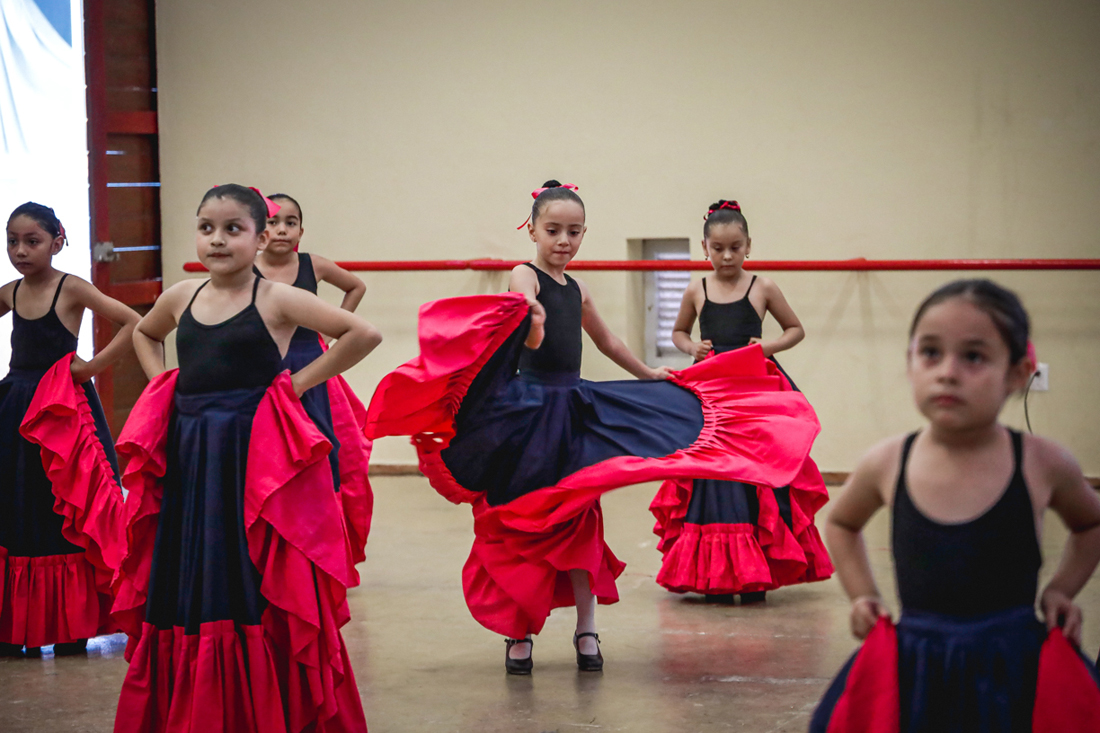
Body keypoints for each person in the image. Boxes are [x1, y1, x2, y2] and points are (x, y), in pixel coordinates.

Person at [367, 181, 824, 675]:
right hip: (530, 415)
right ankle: (518, 632)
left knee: (581, 516)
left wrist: (648, 373)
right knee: (522, 520)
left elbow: (606, 341)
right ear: (533, 230)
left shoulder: (578, 288)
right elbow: (522, 305)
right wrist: (532, 315)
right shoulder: (525, 275)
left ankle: (587, 629)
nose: (564, 240)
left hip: (574, 411)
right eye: (553, 230)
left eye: (574, 232)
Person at [111, 185, 380, 732]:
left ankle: (263, 697)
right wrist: (163, 382)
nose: (217, 239)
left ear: (259, 238)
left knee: (247, 563)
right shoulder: (181, 296)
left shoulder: (277, 298)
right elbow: (145, 332)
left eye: (233, 229)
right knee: (196, 561)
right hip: (192, 451)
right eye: (207, 227)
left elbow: (362, 332)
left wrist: (298, 385)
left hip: (250, 454)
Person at [811, 279, 1100, 732]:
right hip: (919, 670)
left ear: (1017, 373)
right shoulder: (887, 462)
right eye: (930, 352)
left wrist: (1062, 589)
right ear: (910, 363)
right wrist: (863, 593)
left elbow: (1091, 524)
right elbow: (843, 522)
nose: (947, 371)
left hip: (1013, 667)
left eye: (973, 356)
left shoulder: (1043, 463)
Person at [650, 200, 832, 604]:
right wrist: (692, 346)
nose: (727, 255)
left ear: (749, 245)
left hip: (755, 385)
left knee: (757, 470)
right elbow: (679, 333)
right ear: (704, 247)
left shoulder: (762, 287)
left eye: (735, 246)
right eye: (718, 248)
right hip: (713, 388)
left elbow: (795, 329)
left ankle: (760, 567)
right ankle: (716, 572)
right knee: (714, 472)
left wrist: (768, 347)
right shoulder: (695, 288)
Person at [0, 202, 134, 657]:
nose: (20, 250)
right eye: (12, 241)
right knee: (18, 507)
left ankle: (71, 625)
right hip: (17, 405)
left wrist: (91, 367)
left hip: (62, 409)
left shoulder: (72, 288)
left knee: (66, 508)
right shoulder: (11, 291)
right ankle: (15, 626)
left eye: (31, 241)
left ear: (57, 242)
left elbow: (134, 322)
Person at [254, 192, 372, 564]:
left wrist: (337, 329)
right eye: (273, 222)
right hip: (263, 371)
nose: (282, 230)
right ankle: (270, 546)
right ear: (258, 231)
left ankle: (324, 550)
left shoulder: (313, 265)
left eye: (290, 222)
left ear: (301, 230)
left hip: (311, 368)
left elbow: (356, 286)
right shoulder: (247, 270)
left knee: (322, 452)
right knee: (268, 457)